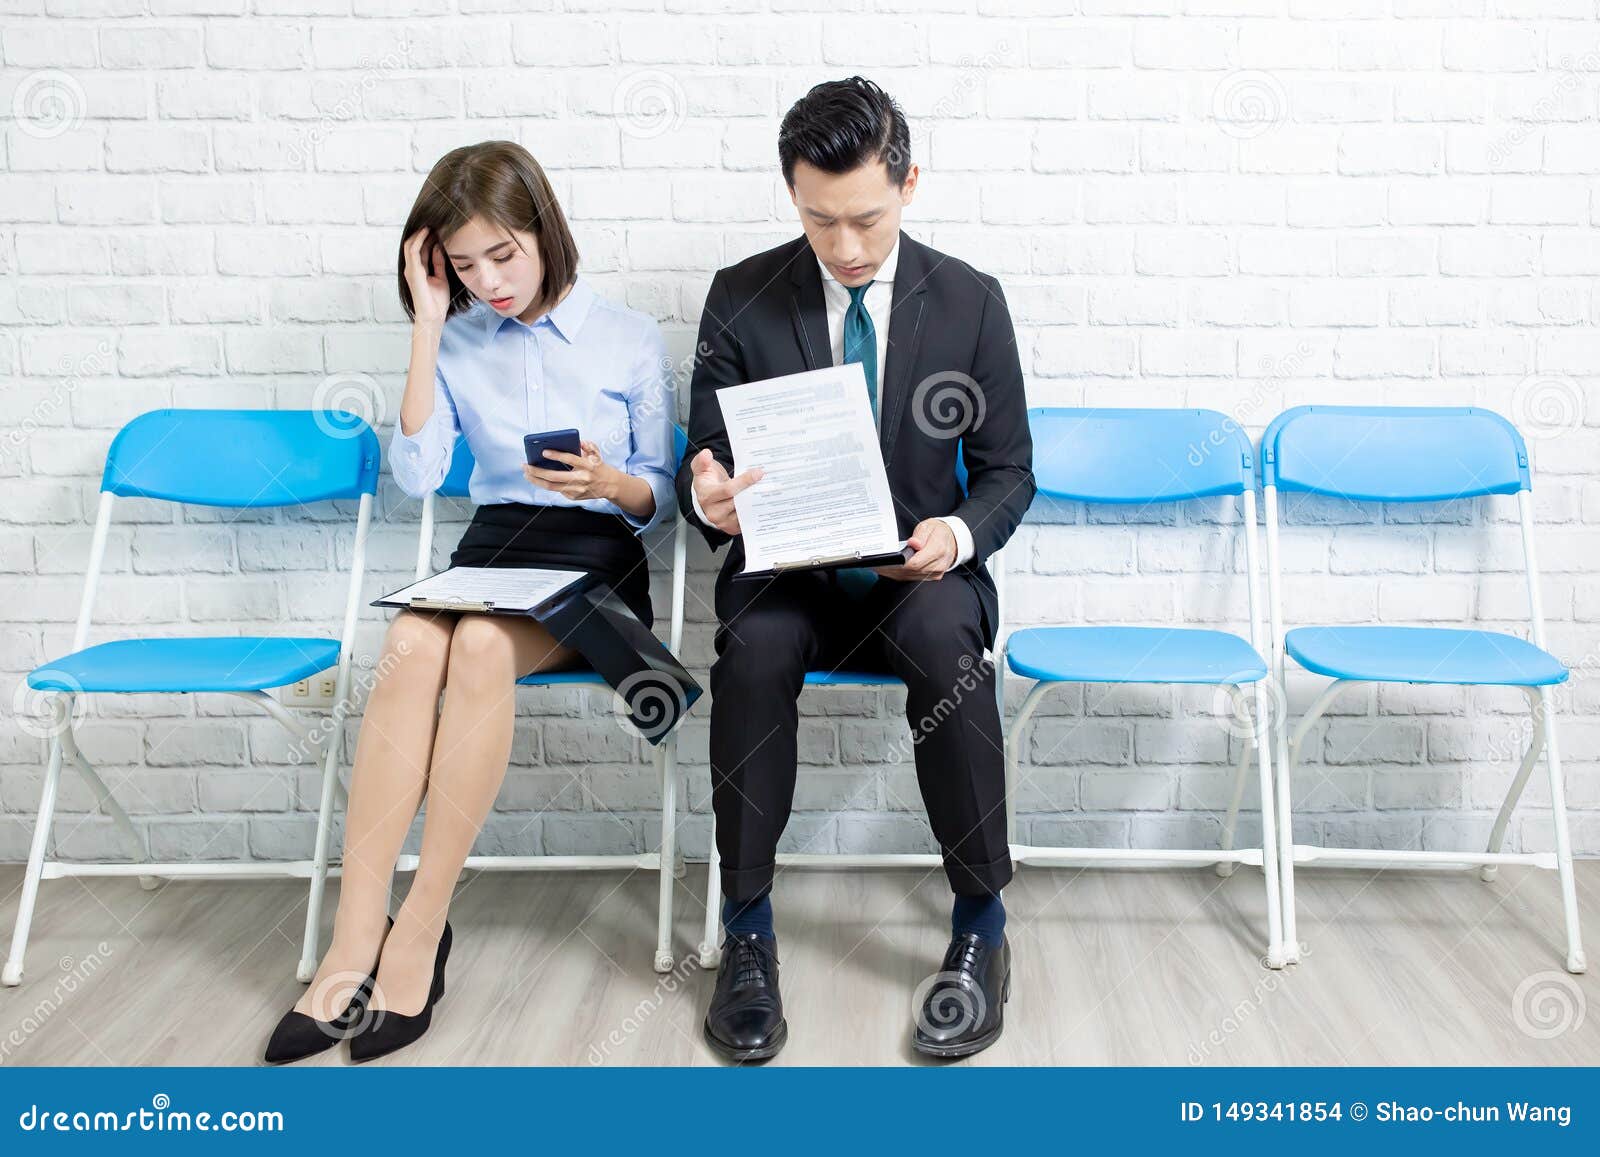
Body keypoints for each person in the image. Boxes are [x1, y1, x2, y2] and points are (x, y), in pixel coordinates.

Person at [265, 140, 676, 1064]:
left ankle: (422, 924)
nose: (487, 280)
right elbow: (417, 475)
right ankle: (352, 935)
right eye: (463, 263)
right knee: (413, 641)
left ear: (545, 229)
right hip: (493, 553)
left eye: (504, 254)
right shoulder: (454, 335)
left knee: (482, 647)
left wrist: (612, 483)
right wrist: (425, 324)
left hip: (597, 563)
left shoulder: (627, 336)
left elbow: (664, 502)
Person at [679, 77, 1034, 1061]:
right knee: (750, 645)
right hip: (784, 574)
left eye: (865, 218)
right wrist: (704, 489)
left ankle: (980, 923)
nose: (842, 246)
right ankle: (746, 930)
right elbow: (704, 455)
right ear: (791, 195)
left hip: (918, 577)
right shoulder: (741, 294)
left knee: (945, 640)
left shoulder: (968, 301)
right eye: (816, 218)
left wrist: (956, 538)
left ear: (910, 182)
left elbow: (1008, 470)